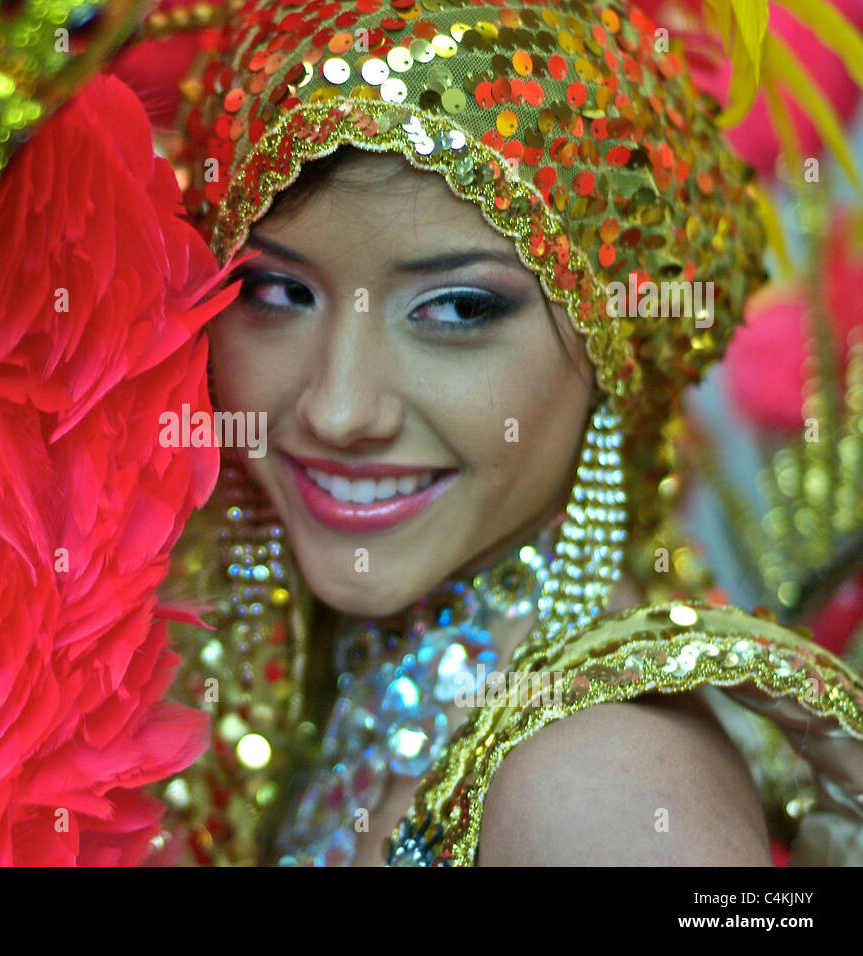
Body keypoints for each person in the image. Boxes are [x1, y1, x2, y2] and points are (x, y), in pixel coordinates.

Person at [152, 0, 863, 865]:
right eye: (276, 290)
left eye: (456, 308)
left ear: (617, 348)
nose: (338, 410)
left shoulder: (606, 790)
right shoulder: (348, 666)